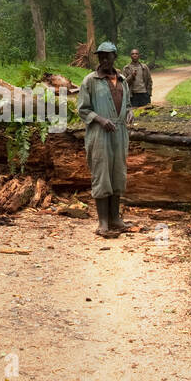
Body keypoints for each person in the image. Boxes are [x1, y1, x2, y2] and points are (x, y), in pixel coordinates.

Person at [77, 41, 132, 237]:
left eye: (108, 56)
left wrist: (129, 112)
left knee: (118, 173)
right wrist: (100, 120)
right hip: (99, 133)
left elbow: (128, 103)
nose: (104, 59)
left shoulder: (122, 79)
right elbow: (82, 109)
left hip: (120, 132)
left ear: (115, 57)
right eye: (101, 56)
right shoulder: (90, 81)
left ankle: (115, 218)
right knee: (101, 174)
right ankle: (103, 223)